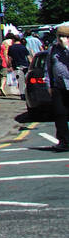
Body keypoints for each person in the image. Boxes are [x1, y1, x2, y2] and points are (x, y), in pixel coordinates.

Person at [48, 24, 69, 153]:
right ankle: (64, 141)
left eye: (65, 36)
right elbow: (48, 68)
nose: (61, 39)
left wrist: (67, 48)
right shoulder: (53, 49)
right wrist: (49, 85)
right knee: (60, 114)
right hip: (58, 87)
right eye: (60, 36)